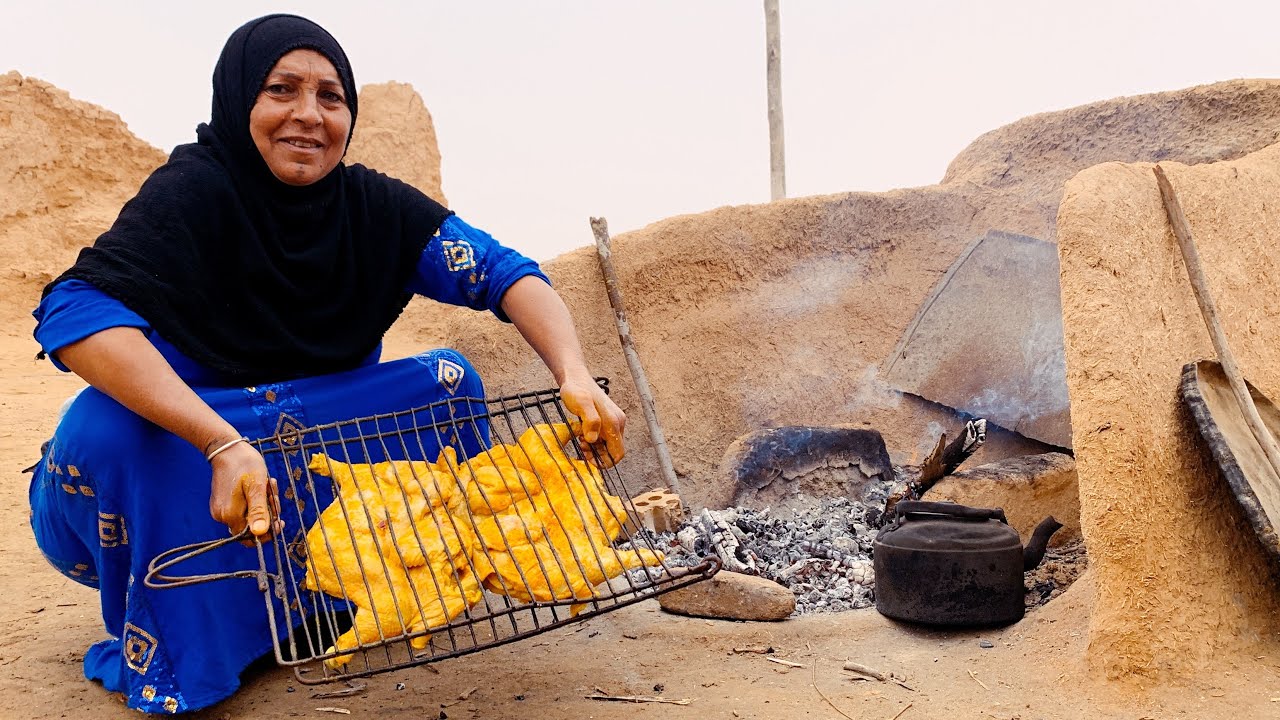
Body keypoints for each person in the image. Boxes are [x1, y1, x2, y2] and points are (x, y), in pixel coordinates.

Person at [27, 14, 625, 714]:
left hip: (298, 434)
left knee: (448, 382)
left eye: (330, 97)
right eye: (281, 90)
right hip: (186, 451)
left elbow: (505, 272)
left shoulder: (372, 207)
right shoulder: (193, 193)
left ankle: (363, 590)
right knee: (107, 429)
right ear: (239, 100)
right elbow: (73, 311)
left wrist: (572, 373)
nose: (308, 115)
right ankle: (197, 642)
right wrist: (218, 440)